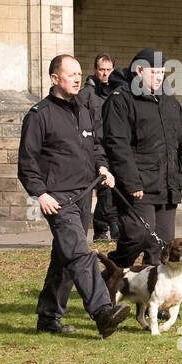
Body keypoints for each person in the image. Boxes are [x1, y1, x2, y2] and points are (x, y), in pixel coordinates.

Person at [18, 54, 131, 337]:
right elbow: (27, 162)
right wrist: (40, 194)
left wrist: (102, 167)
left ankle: (48, 316)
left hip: (84, 195)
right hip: (58, 199)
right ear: (54, 78)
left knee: (65, 256)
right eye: (71, 74)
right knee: (80, 253)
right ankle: (102, 311)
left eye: (80, 73)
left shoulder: (83, 108)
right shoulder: (39, 115)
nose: (78, 78)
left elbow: (94, 146)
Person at [101, 48, 182, 268]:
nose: (160, 77)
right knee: (138, 234)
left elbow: (180, 126)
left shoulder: (168, 98)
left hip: (168, 181)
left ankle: (152, 296)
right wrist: (131, 182)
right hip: (138, 183)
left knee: (161, 246)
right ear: (139, 70)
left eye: (163, 72)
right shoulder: (120, 100)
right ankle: (113, 270)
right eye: (155, 72)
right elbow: (117, 144)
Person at [78, 53, 119, 242]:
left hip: (115, 144)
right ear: (95, 70)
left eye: (108, 70)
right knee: (104, 188)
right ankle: (107, 230)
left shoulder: (117, 91)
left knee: (110, 189)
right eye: (101, 70)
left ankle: (103, 230)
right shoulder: (86, 94)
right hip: (95, 146)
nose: (105, 74)